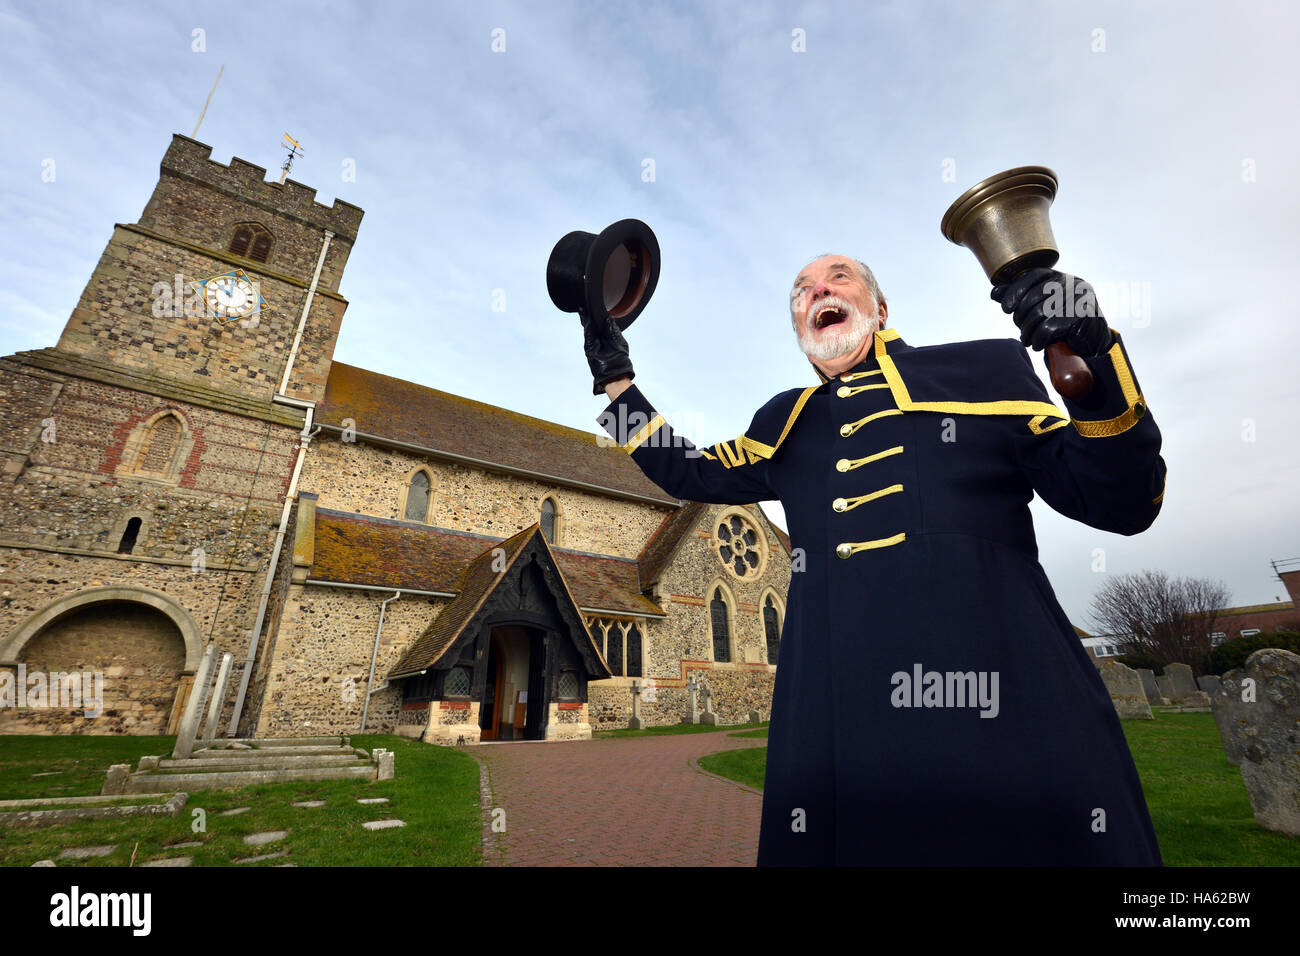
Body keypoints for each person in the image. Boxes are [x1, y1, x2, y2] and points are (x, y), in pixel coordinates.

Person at [587, 254, 1166, 865]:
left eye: (837, 278)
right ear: (802, 334)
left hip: (1004, 691)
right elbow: (688, 468)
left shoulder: (982, 369)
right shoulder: (786, 420)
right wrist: (614, 374)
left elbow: (1121, 502)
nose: (817, 291)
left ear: (880, 308)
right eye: (801, 291)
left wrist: (1090, 348)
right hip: (839, 715)